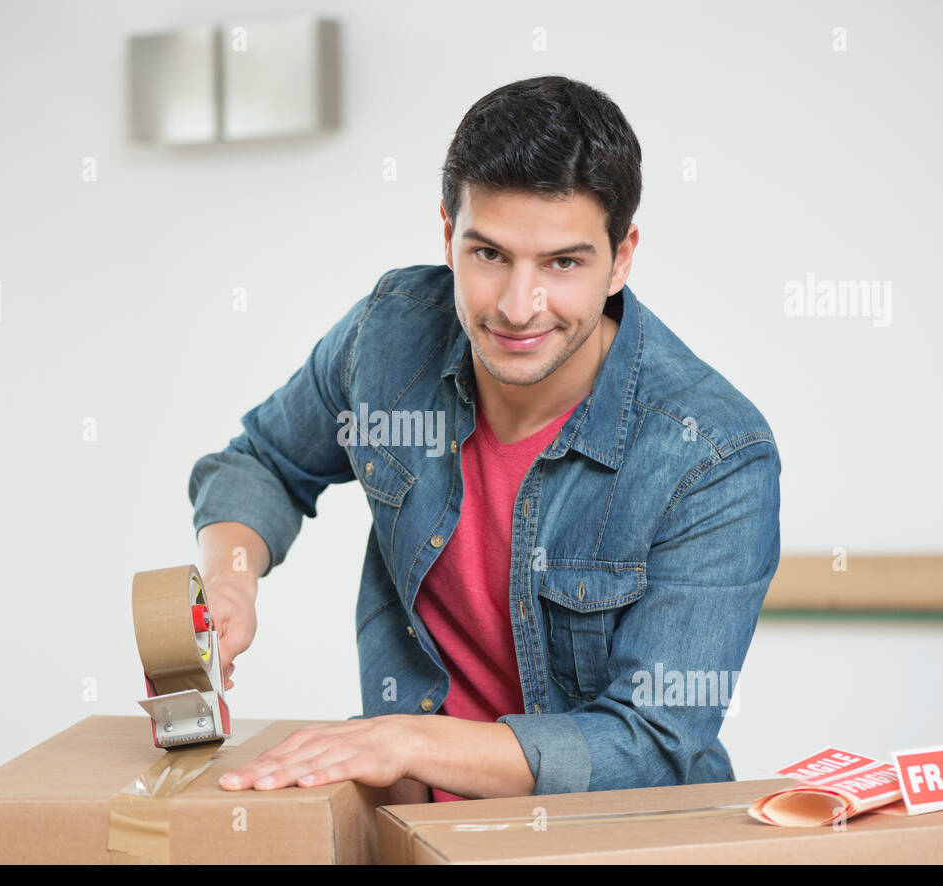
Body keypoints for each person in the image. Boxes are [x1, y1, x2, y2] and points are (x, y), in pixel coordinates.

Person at [190, 75, 781, 801]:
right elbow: (266, 463)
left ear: (621, 257)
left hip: (613, 841)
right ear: (447, 234)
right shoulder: (389, 335)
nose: (516, 306)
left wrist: (404, 738)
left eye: (563, 263)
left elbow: (652, 742)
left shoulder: (714, 451)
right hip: (415, 824)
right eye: (489, 254)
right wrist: (231, 576)